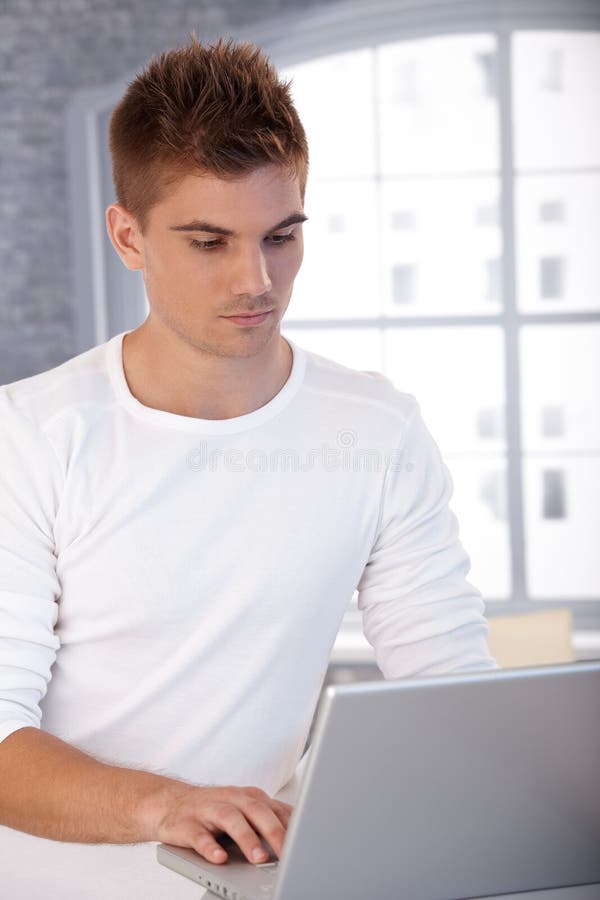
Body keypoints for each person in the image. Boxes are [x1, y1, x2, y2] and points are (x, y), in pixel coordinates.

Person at [0, 36, 496, 900]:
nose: (256, 279)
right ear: (129, 236)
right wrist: (169, 806)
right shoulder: (31, 437)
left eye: (281, 235)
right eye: (208, 241)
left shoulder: (377, 430)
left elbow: (452, 691)